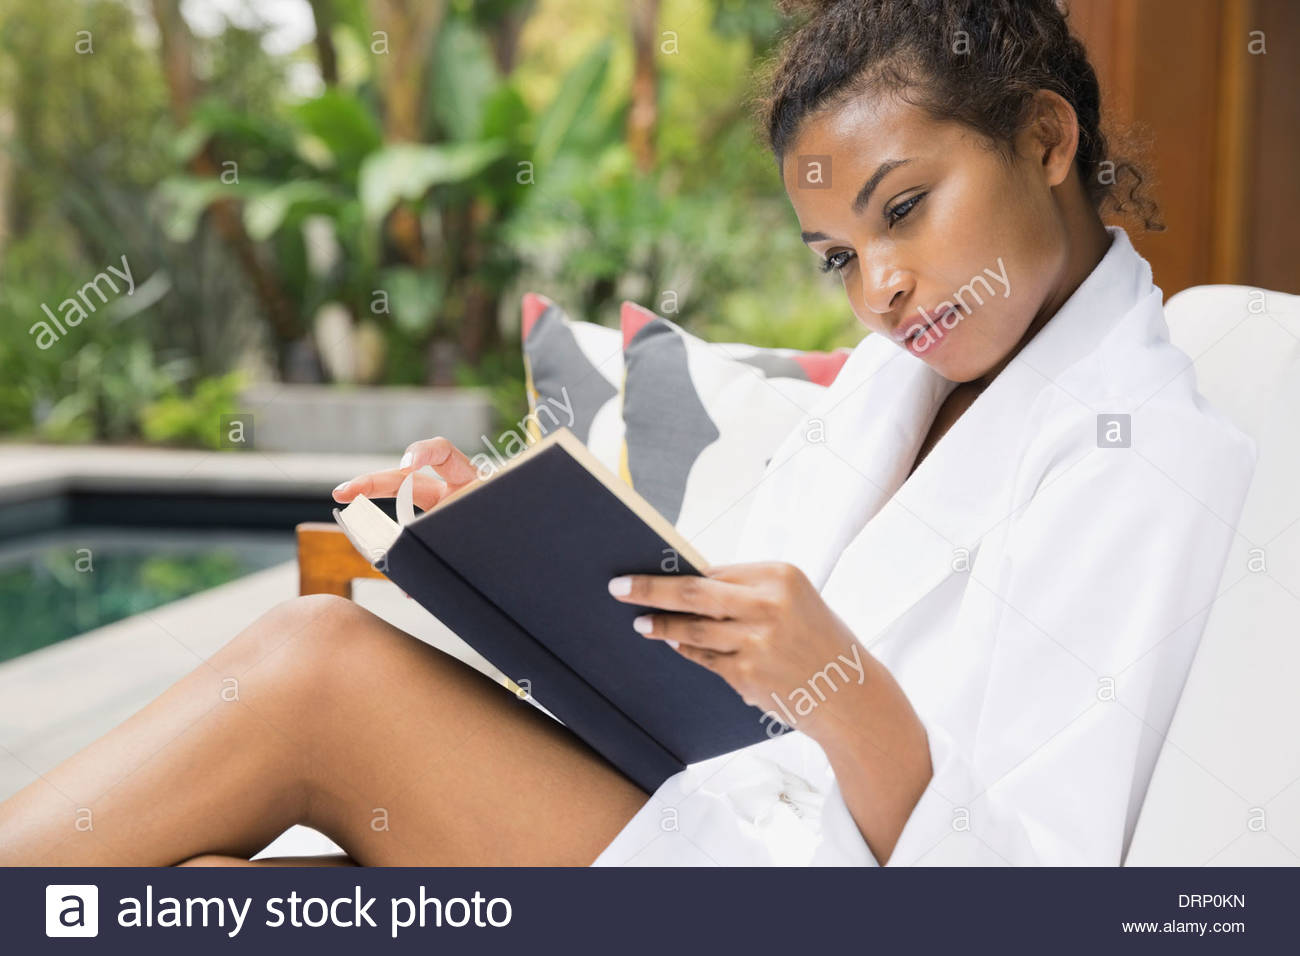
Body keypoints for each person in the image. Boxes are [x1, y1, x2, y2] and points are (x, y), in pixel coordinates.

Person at [0, 0, 1254, 867]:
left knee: (314, 665)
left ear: (1044, 139)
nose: (877, 286)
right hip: (689, 819)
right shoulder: (899, 388)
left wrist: (842, 684)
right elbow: (705, 662)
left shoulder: (1139, 453)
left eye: (906, 209)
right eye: (838, 254)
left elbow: (1036, 899)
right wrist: (504, 535)